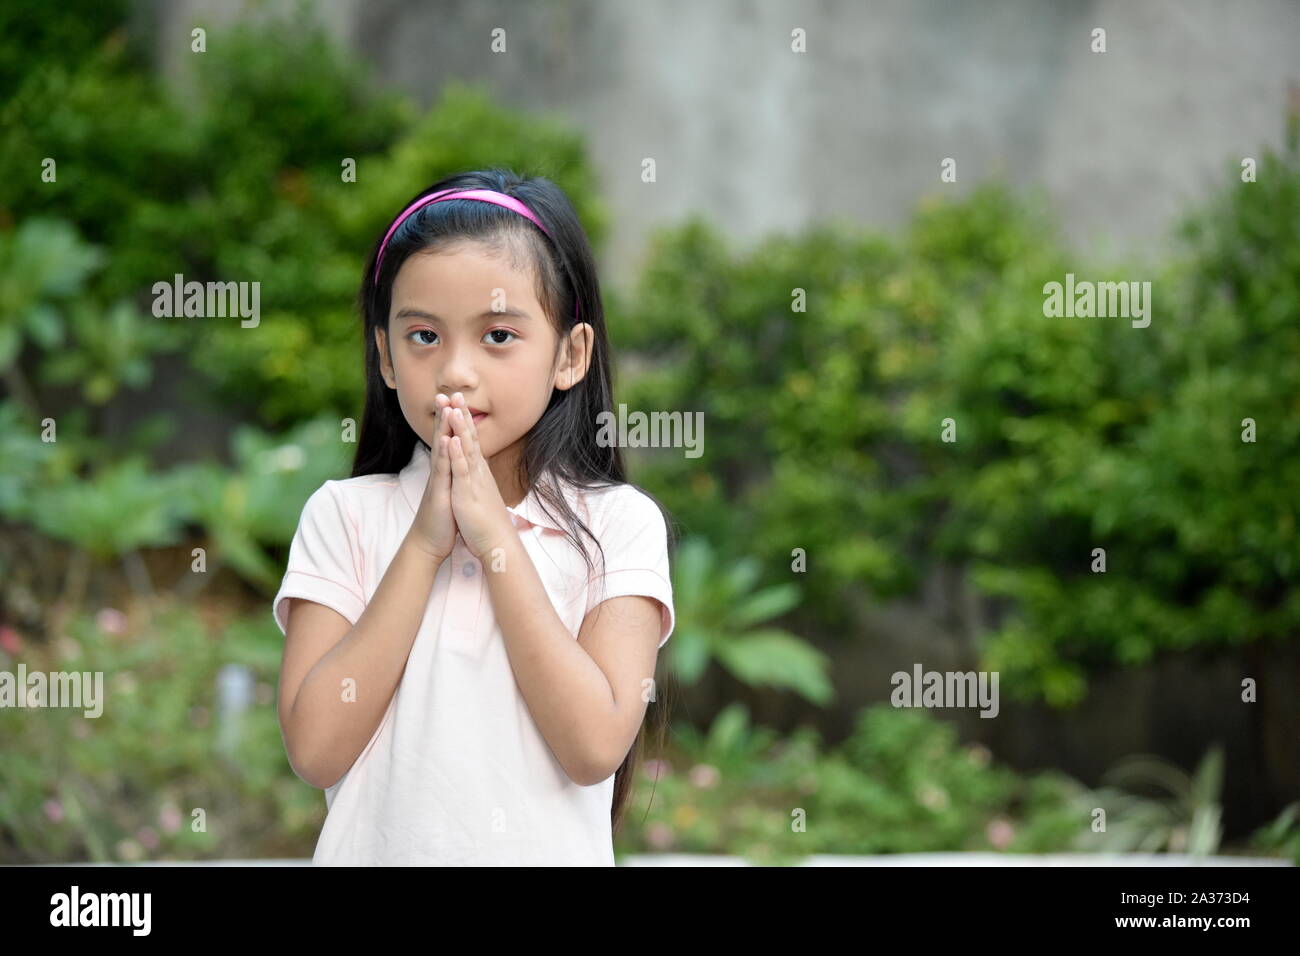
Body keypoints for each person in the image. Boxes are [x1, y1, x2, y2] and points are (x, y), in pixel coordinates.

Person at [272, 168, 677, 865]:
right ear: (386, 358)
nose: (455, 371)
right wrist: (426, 544)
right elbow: (314, 748)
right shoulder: (345, 517)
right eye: (424, 337)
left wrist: (494, 540)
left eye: (497, 336)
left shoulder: (619, 526)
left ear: (570, 355)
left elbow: (593, 746)